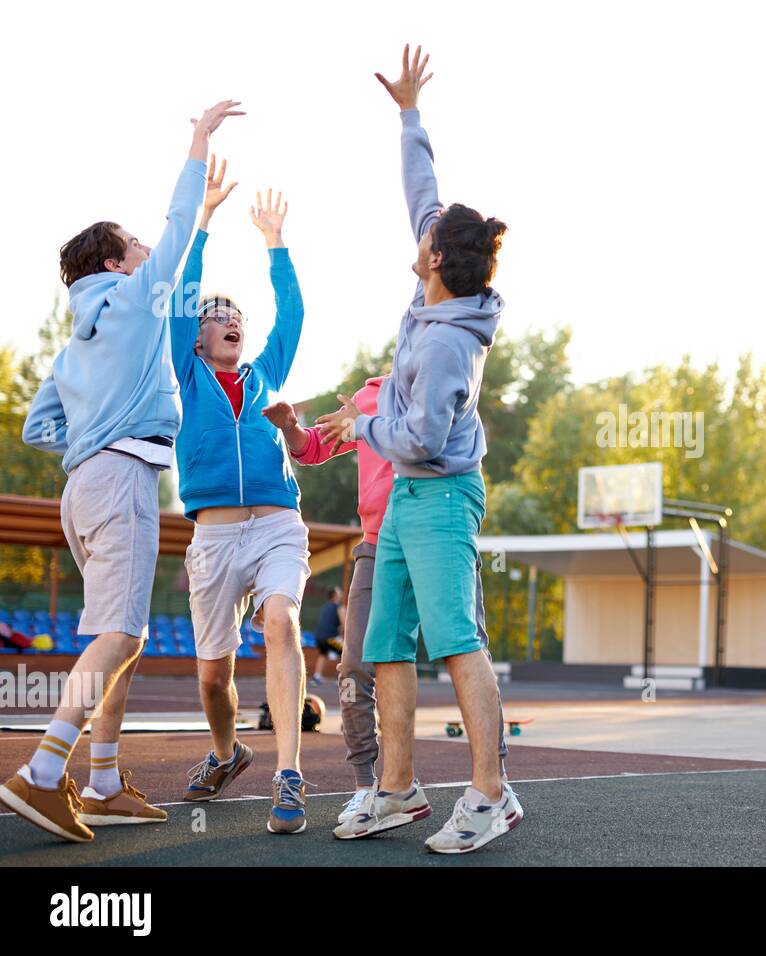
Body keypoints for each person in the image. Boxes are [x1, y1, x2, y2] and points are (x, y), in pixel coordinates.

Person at [0, 100, 243, 842]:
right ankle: (43, 773)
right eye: (131, 243)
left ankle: (102, 779)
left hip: (83, 486)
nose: (144, 247)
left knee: (122, 635)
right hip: (121, 480)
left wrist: (90, 438)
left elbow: (42, 425)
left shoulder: (75, 346)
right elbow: (173, 232)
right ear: (113, 262)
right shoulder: (137, 300)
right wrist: (198, 144)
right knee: (120, 637)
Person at [316, 45, 521, 853]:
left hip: (440, 494)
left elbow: (423, 439)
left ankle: (491, 793)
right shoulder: (431, 293)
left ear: (437, 258)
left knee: (457, 641)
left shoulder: (445, 345)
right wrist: (409, 113)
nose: (421, 227)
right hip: (406, 498)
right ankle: (397, 791)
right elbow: (423, 189)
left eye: (428, 235)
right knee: (382, 644)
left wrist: (359, 426)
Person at [264, 383, 511, 829]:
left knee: (467, 649)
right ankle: (368, 787)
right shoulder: (371, 393)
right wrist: (292, 429)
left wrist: (368, 426)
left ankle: (493, 780)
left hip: (435, 526)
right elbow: (315, 448)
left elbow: (444, 444)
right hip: (378, 544)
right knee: (356, 663)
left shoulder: (446, 377)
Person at [169, 159, 313, 835]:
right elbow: (177, 298)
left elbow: (295, 313)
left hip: (278, 524)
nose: (229, 320)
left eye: (235, 315)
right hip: (215, 536)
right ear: (198, 338)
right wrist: (203, 222)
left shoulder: (263, 374)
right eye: (216, 316)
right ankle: (227, 754)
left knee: (280, 622)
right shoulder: (188, 377)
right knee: (211, 678)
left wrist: (275, 242)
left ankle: (289, 774)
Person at [310, 587, 345, 686]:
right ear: (335, 596)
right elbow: (345, 623)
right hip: (330, 638)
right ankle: (342, 678)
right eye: (339, 593)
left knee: (322, 654)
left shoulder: (324, 607)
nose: (341, 595)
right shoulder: (339, 607)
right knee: (345, 653)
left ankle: (317, 677)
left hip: (319, 637)